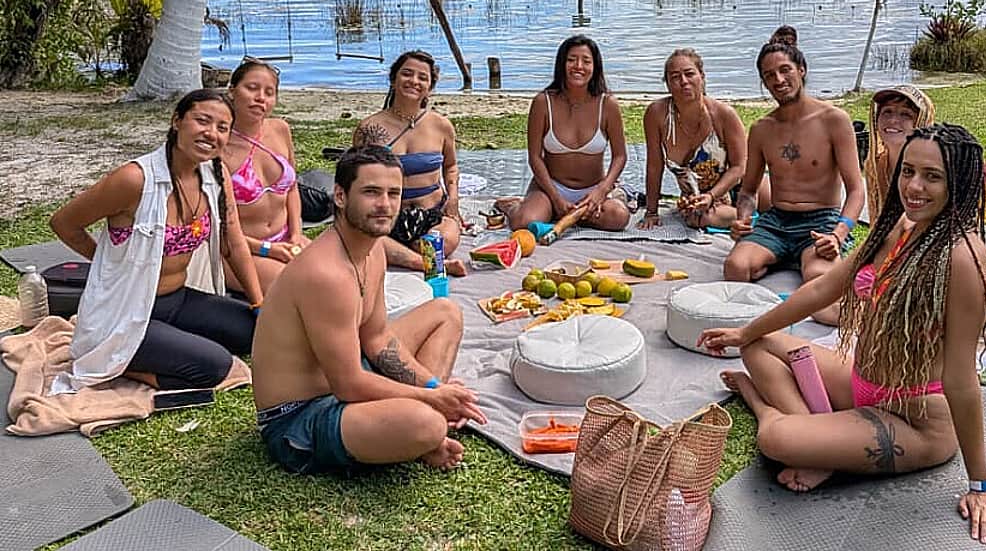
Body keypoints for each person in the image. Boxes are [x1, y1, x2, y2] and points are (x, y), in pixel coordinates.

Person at [699, 124, 986, 545]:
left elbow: (961, 379)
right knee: (758, 344)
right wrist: (743, 330)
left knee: (775, 438)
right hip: (863, 383)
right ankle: (824, 441)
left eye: (932, 176)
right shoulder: (902, 225)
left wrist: (982, 486)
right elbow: (824, 287)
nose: (914, 186)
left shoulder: (962, 258)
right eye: (908, 171)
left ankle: (771, 409)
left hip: (913, 418)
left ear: (961, 182)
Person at [251, 145, 486, 475]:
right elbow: (348, 384)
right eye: (372, 192)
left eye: (393, 193)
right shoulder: (326, 274)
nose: (385, 205)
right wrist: (430, 401)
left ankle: (415, 420)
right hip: (299, 416)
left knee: (445, 313)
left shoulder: (373, 251)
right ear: (341, 196)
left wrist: (433, 388)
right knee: (428, 424)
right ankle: (424, 431)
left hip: (346, 380)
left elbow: (376, 340)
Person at [48, 90, 262, 394]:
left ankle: (167, 344)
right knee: (214, 366)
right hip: (126, 310)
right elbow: (64, 223)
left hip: (178, 299)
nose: (211, 134)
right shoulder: (135, 179)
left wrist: (258, 303)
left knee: (254, 332)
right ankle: (120, 365)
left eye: (222, 127)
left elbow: (234, 242)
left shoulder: (215, 173)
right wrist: (106, 263)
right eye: (202, 121)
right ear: (177, 121)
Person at [724, 26, 865, 325]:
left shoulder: (833, 120)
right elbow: (748, 191)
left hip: (820, 221)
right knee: (735, 268)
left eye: (785, 70)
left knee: (820, 289)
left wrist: (838, 234)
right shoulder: (762, 128)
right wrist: (743, 217)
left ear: (801, 70)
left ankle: (795, 262)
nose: (778, 80)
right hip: (776, 221)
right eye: (768, 75)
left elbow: (856, 189)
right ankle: (781, 259)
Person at [353, 51, 467, 277]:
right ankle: (423, 262)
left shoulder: (441, 125)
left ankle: (413, 254)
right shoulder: (369, 128)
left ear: (430, 87)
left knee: (446, 239)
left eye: (422, 78)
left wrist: (453, 199)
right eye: (407, 74)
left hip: (432, 213)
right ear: (394, 79)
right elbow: (356, 177)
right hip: (388, 217)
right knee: (366, 241)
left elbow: (451, 166)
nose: (414, 81)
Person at [502, 35, 630, 232]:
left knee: (619, 217)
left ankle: (567, 216)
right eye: (571, 60)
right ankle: (512, 206)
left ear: (595, 67)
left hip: (592, 189)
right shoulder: (543, 102)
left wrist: (601, 191)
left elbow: (620, 156)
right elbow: (535, 157)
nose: (578, 66)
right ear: (561, 63)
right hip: (551, 187)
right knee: (522, 223)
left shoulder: (608, 104)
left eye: (586, 61)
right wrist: (555, 198)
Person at [223, 57, 307, 295]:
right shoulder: (219, 145)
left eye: (269, 92)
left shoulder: (280, 129)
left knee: (339, 274)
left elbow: (291, 189)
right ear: (232, 91)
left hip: (286, 239)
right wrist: (267, 249)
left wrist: (296, 234)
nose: (260, 97)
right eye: (252, 88)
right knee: (297, 290)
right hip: (239, 250)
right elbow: (216, 227)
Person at [638, 48, 749, 230]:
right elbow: (654, 165)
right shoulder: (657, 114)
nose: (683, 82)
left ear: (702, 76)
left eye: (689, 74)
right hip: (695, 201)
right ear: (667, 84)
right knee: (695, 217)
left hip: (736, 191)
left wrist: (712, 196)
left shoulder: (724, 115)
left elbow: (739, 167)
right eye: (675, 77)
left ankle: (753, 217)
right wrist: (651, 212)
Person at [864, 84, 935, 224]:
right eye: (887, 112)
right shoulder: (875, 165)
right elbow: (876, 222)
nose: (893, 120)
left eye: (905, 114)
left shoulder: (934, 167)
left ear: (921, 122)